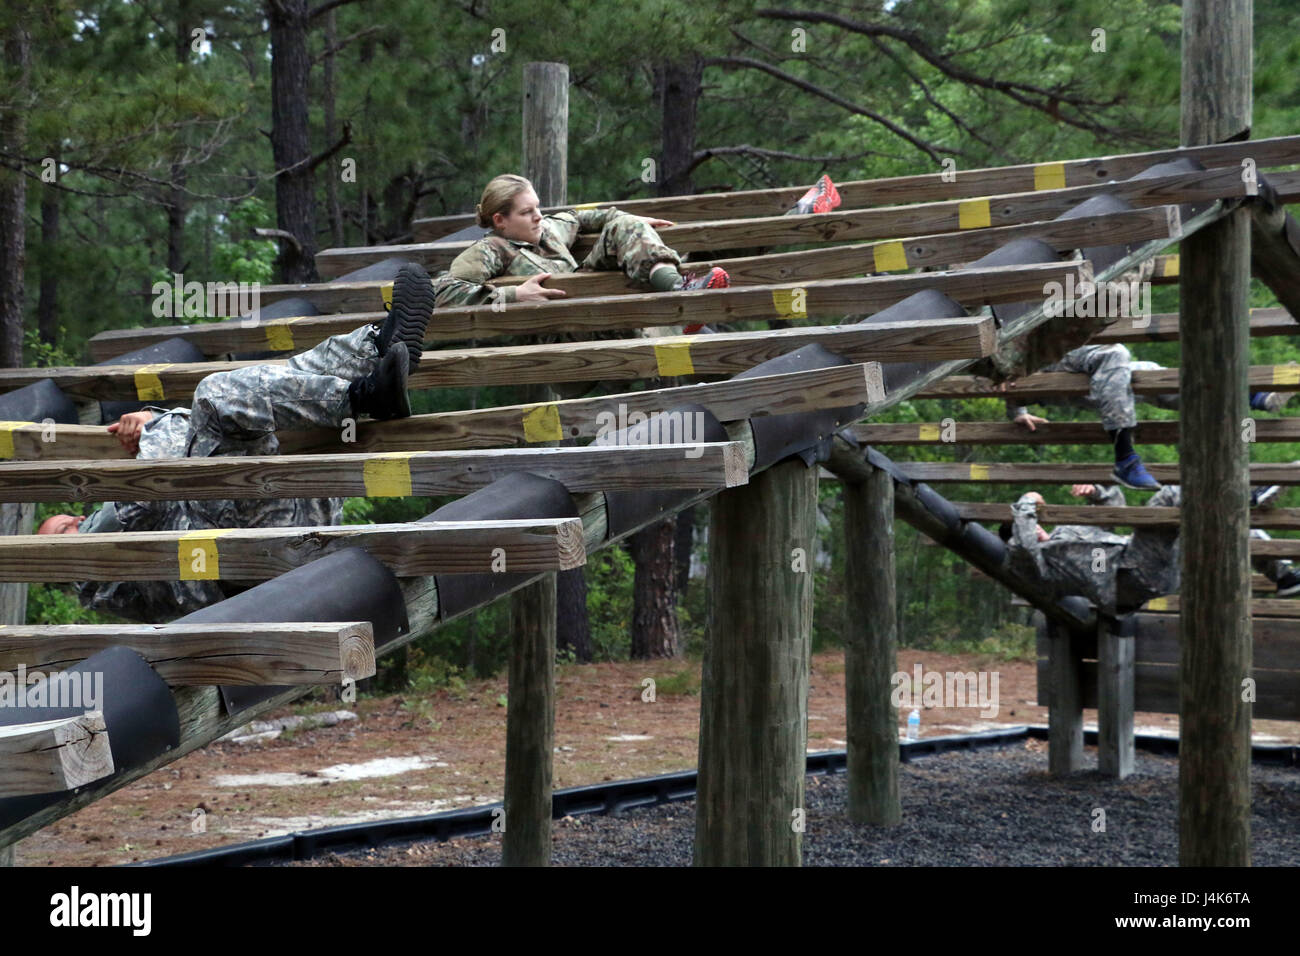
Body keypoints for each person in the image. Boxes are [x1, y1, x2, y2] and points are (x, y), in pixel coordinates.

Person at [36, 264, 436, 621]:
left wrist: (156, 421)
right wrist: (157, 427)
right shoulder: (98, 580)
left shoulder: (121, 523)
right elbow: (148, 495)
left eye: (68, 519)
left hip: (287, 515)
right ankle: (364, 392)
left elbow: (162, 480)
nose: (74, 521)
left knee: (274, 386)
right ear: (58, 565)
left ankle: (378, 348)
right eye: (62, 532)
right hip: (251, 556)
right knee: (216, 396)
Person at [1005, 343, 1292, 492]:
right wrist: (1016, 407)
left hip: (1055, 360)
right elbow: (999, 373)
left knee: (1147, 374)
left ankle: (1252, 396)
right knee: (1116, 356)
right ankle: (1125, 458)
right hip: (1040, 361)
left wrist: (1017, 409)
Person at [430, 173, 731, 314]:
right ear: (500, 220)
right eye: (527, 212)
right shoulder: (489, 250)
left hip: (593, 304)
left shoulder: (548, 229)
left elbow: (580, 217)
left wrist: (633, 221)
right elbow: (441, 291)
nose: (538, 217)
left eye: (537, 207)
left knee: (623, 226)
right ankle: (683, 305)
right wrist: (513, 294)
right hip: (562, 328)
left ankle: (681, 291)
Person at [998, 482, 1300, 612]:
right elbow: (1024, 547)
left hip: (1153, 568)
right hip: (1130, 573)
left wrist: (1096, 491)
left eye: (1036, 525)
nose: (1035, 528)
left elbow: (1113, 513)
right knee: (1170, 496)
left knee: (1219, 525)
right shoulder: (1033, 564)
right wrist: (1027, 500)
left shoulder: (1065, 533)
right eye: (1025, 527)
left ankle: (1283, 575)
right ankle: (1246, 497)